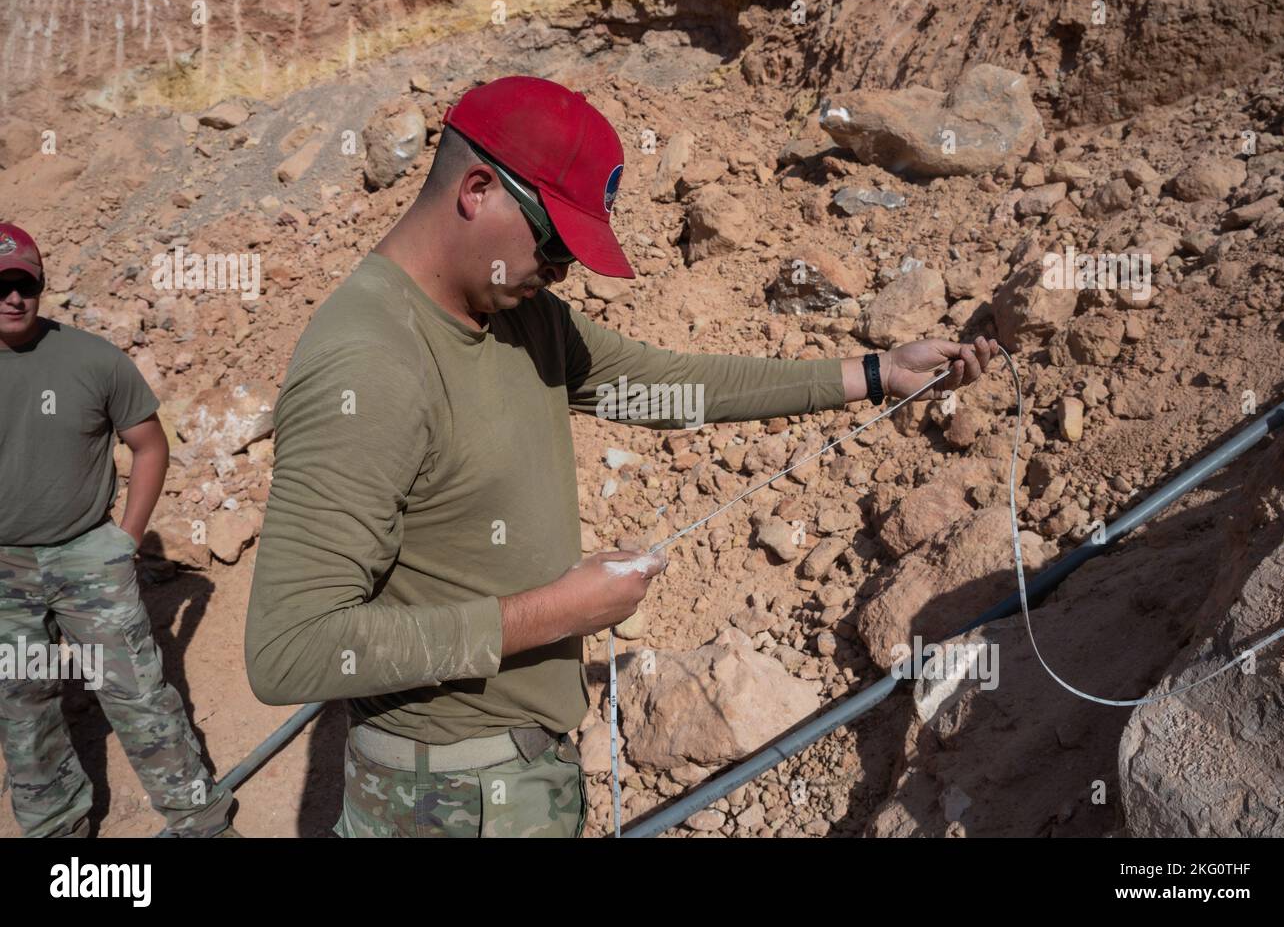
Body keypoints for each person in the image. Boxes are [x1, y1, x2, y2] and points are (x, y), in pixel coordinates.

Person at [244, 76, 993, 838]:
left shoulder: (521, 316)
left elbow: (664, 385)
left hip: (519, 777)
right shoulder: (368, 366)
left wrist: (874, 373)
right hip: (442, 802)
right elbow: (291, 650)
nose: (561, 272)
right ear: (477, 190)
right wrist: (554, 614)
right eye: (554, 245)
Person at [0, 223, 238, 838]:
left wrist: (125, 541)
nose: (14, 298)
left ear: (41, 284)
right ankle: (56, 827)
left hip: (87, 555)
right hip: (4, 571)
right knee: (22, 703)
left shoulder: (93, 360)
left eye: (25, 284)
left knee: (137, 692)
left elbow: (150, 445)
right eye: (0, 287)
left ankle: (199, 819)